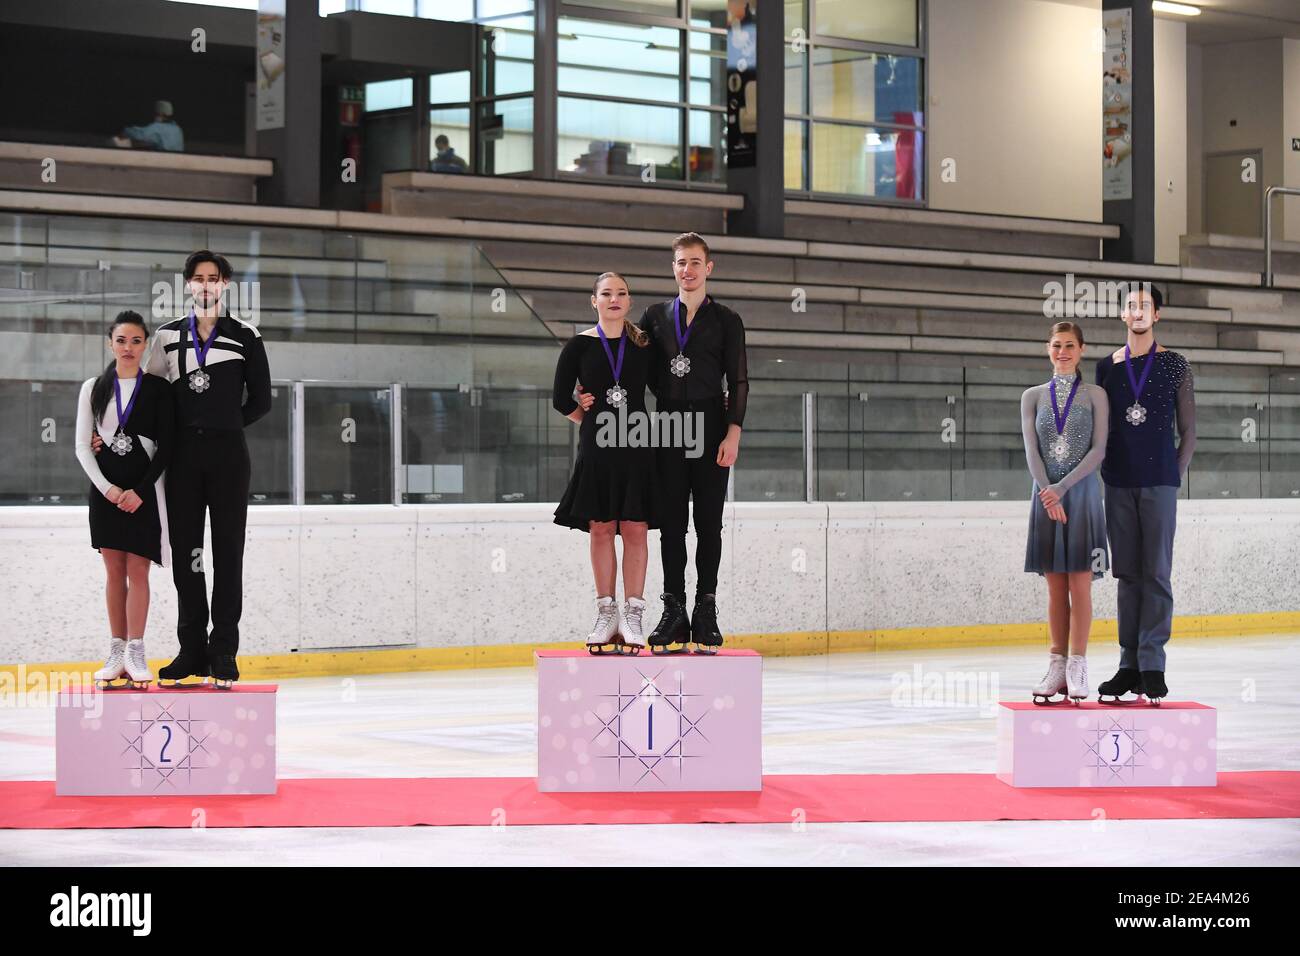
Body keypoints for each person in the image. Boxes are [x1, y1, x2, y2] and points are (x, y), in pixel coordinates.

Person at [97, 251, 272, 688]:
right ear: (188, 286)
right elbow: (149, 395)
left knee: (228, 555)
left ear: (226, 284)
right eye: (198, 279)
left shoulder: (246, 336)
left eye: (214, 278)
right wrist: (109, 430)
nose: (206, 286)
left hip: (229, 458)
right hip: (183, 463)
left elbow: (262, 400)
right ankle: (191, 649)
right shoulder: (167, 337)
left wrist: (224, 425)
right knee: (187, 558)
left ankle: (224, 652)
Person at [638, 233, 748, 655]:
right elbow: (638, 367)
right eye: (681, 262)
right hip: (667, 426)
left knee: (709, 524)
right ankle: (673, 609)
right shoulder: (654, 316)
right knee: (670, 525)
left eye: (695, 262)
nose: (688, 270)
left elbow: (738, 379)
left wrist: (733, 430)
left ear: (709, 268)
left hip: (711, 426)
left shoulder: (727, 320)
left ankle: (706, 608)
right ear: (674, 268)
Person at [1094, 284, 1196, 705]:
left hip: (1159, 484)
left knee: (1156, 572)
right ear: (1123, 315)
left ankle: (1153, 664)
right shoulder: (1106, 368)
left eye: (1145, 306)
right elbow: (1103, 426)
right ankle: (1127, 664)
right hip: (1118, 482)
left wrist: (1174, 474)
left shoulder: (1175, 365)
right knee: (1127, 575)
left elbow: (1189, 431)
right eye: (1130, 306)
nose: (1137, 311)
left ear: (1157, 314)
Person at [553, 273, 660, 654]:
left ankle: (633, 615)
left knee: (635, 529)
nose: (614, 299)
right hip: (599, 449)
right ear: (593, 301)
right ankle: (606, 612)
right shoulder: (579, 346)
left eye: (622, 293)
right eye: (606, 293)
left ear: (629, 302)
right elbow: (560, 399)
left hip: (637, 446)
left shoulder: (644, 345)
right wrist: (594, 421)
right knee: (600, 528)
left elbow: (670, 389)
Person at [75, 312, 174, 689]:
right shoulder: (93, 388)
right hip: (106, 493)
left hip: (144, 492)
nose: (128, 348)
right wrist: (108, 489)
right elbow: (83, 447)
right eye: (121, 340)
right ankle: (116, 650)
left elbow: (168, 447)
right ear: (110, 343)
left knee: (139, 572)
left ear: (146, 343)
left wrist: (140, 491)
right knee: (114, 573)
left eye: (135, 341)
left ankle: (136, 649)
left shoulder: (159, 389)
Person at [1021, 321, 1109, 705]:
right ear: (1048, 349)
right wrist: (1048, 492)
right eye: (1056, 345)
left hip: (1083, 495)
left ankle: (1078, 663)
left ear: (1081, 350)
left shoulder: (1096, 396)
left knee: (1080, 583)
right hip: (1044, 498)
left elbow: (1098, 450)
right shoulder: (1032, 396)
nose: (1063, 352)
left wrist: (1062, 489)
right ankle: (1055, 663)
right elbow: (1032, 451)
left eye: (1069, 345)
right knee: (1055, 585)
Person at [113, 100, 185, 152]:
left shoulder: (158, 127)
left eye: (155, 113)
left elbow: (140, 134)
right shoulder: (177, 129)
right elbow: (156, 140)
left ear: (160, 113)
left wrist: (125, 131)